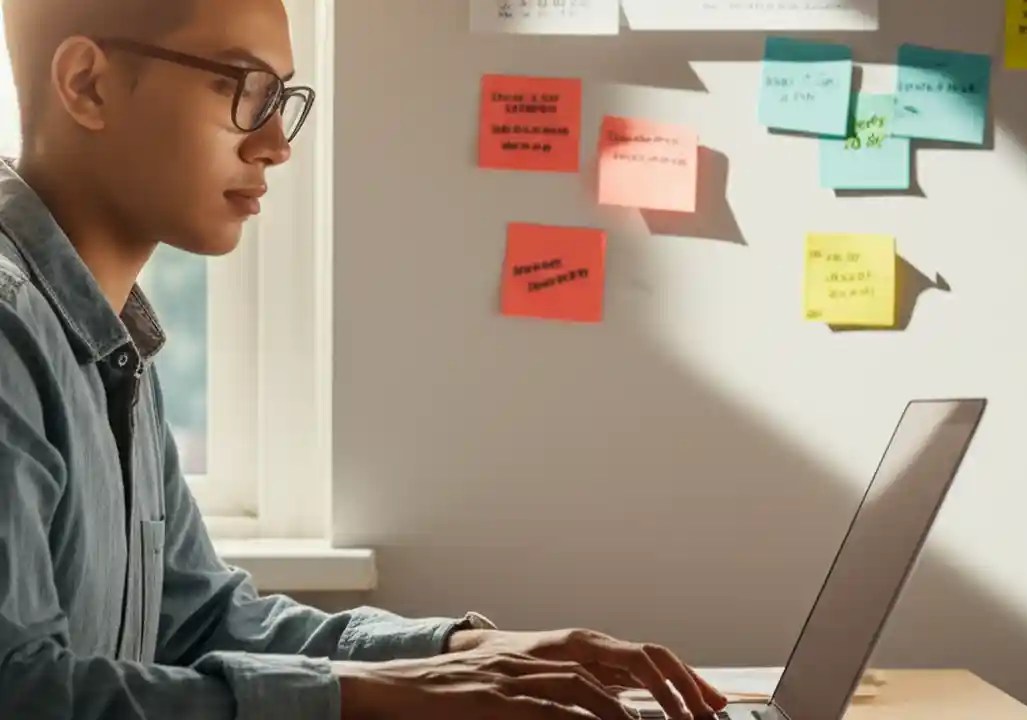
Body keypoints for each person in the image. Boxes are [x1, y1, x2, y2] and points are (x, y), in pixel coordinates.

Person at [0, 0, 731, 718]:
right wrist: (369, 698)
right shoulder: (9, 334)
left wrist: (458, 650)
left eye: (282, 98)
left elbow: (192, 622)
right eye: (243, 88)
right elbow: (20, 690)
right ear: (87, 84)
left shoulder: (111, 340)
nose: (276, 144)